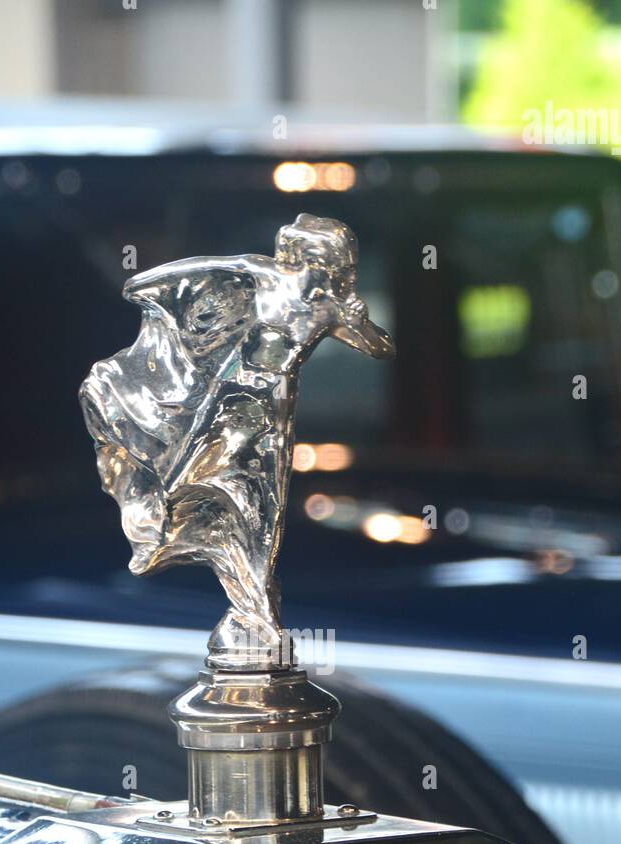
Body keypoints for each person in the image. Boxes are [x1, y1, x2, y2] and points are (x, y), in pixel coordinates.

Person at [80, 213, 393, 668]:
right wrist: (142, 289)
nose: (343, 274)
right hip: (224, 410)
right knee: (190, 487)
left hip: (268, 425)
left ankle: (253, 613)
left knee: (258, 517)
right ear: (308, 257)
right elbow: (183, 279)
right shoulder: (258, 277)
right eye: (338, 264)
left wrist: (364, 325)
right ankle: (214, 576)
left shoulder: (330, 304)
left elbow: (379, 347)